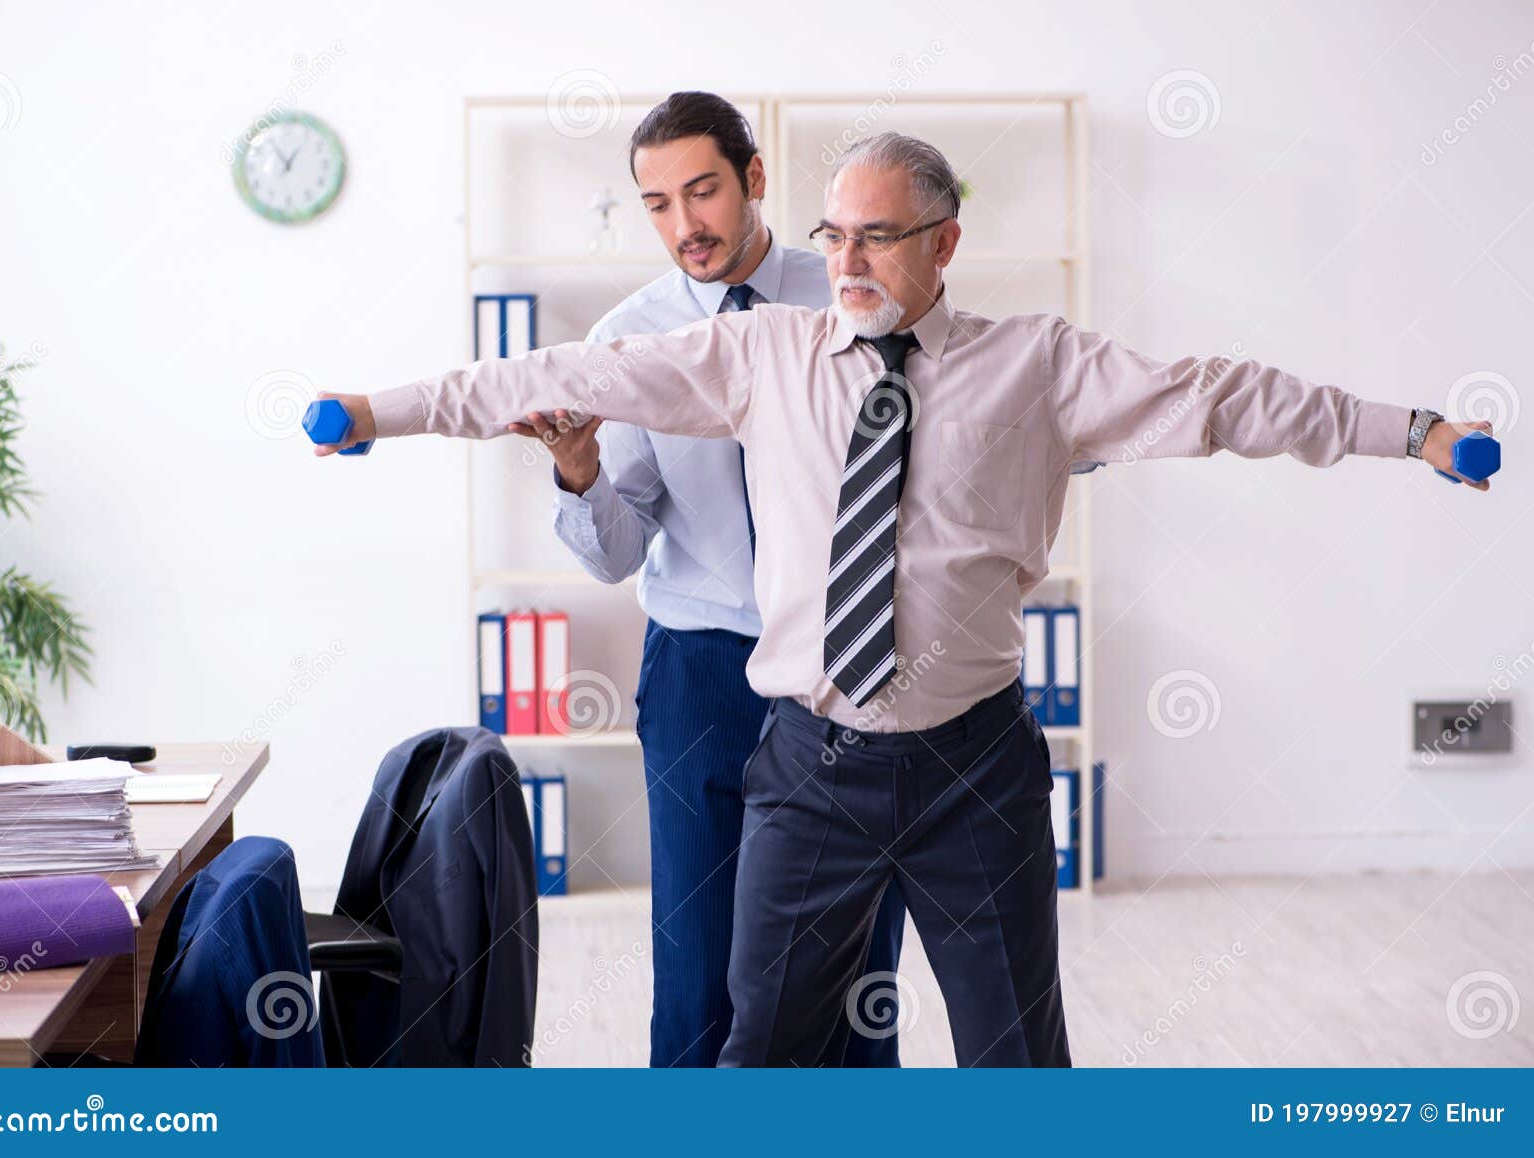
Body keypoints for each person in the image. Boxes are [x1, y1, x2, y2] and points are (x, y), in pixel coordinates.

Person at [312, 132, 1490, 1066]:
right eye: (835, 237)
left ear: (945, 243)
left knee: (1016, 1057)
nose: (850, 264)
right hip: (809, 775)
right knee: (760, 1048)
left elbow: (1227, 398)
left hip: (975, 774)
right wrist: (380, 411)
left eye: (881, 239)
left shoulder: (1036, 365)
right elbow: (557, 373)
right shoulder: (760, 354)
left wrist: (1416, 433)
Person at [506, 91, 905, 1069]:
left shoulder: (850, 296)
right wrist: (577, 469)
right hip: (700, 676)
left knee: (853, 978)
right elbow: (611, 552)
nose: (684, 225)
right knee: (698, 979)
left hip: (845, 669)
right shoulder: (628, 340)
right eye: (657, 204)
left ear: (754, 180)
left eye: (702, 192)